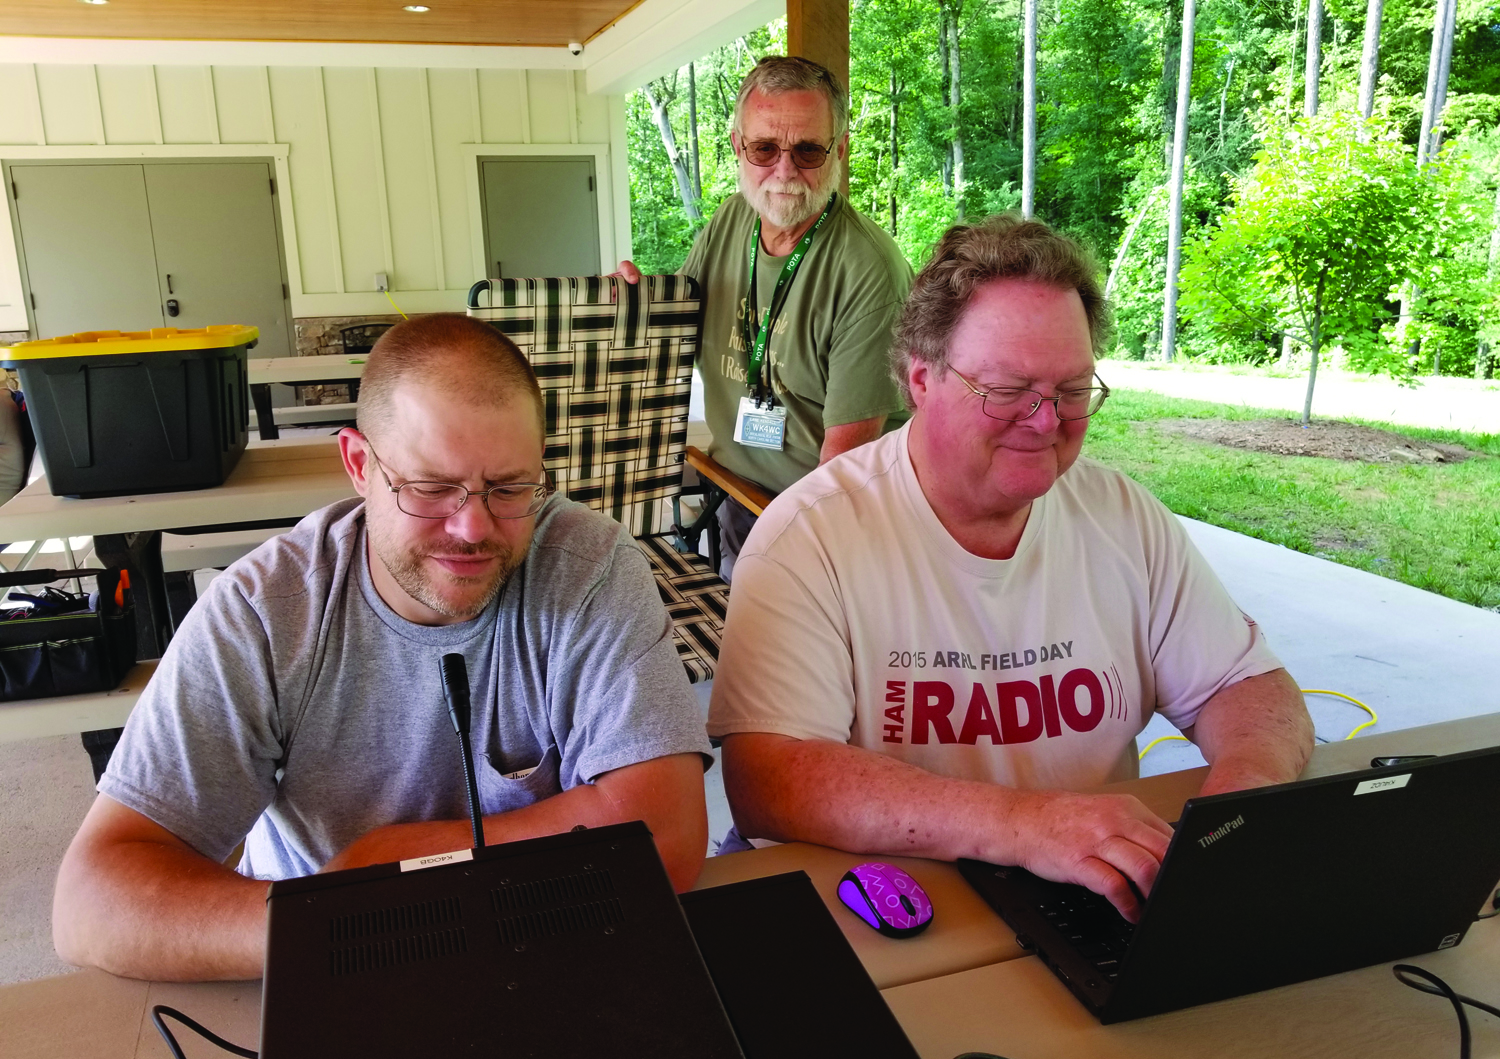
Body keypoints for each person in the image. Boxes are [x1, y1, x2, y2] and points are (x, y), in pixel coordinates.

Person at [53, 314, 712, 981]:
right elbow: (89, 902)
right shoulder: (266, 613)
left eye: (510, 488)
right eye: (430, 488)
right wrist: (347, 921)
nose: (474, 527)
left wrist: (402, 859)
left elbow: (669, 832)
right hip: (326, 965)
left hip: (542, 947)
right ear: (360, 465)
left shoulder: (589, 566)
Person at [708, 214, 1314, 920]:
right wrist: (1028, 827)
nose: (1045, 420)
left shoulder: (1122, 517)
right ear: (921, 380)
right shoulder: (811, 537)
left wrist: (1234, 817)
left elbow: (1248, 688)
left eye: (1072, 390)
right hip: (887, 909)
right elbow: (768, 777)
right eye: (1006, 390)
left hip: (1093, 894)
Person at [617, 56, 912, 576]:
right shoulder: (732, 219)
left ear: (839, 151)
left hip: (832, 522)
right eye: (764, 148)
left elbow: (842, 473)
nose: (784, 170)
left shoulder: (868, 270)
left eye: (808, 149)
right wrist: (630, 303)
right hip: (739, 491)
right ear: (737, 147)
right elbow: (673, 331)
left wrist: (782, 561)